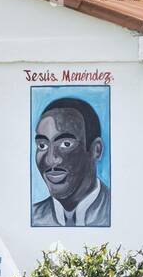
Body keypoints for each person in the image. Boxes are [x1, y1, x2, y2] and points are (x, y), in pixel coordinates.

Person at [31, 96, 110, 227]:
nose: (50, 159)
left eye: (66, 144)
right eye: (42, 146)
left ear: (96, 150)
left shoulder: (118, 211)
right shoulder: (34, 216)